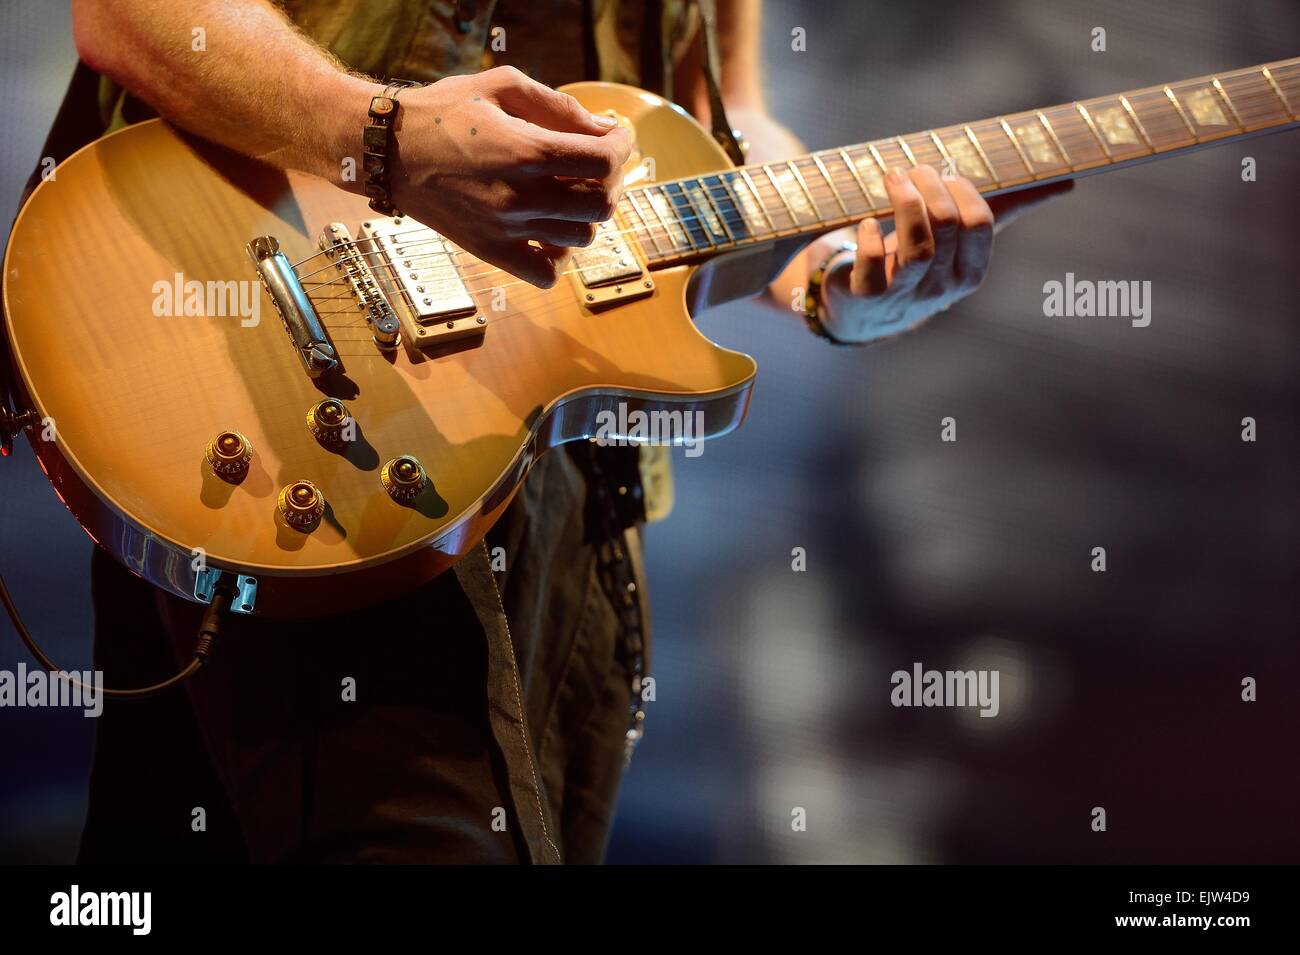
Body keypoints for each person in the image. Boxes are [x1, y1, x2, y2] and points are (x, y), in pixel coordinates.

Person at [56, 0, 1062, 863]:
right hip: (291, 382)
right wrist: (388, 137)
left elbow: (724, 124)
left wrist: (832, 283)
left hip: (578, 483)